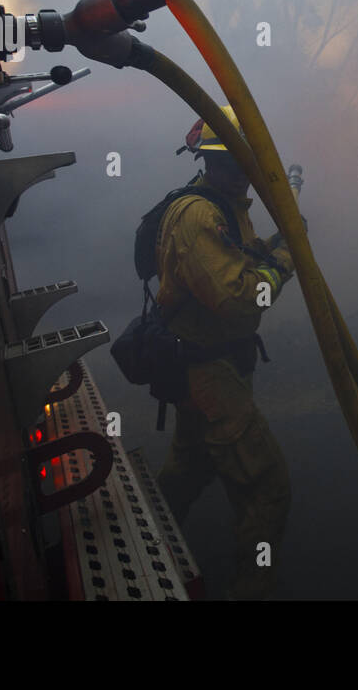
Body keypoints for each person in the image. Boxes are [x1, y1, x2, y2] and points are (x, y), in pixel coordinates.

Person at [154, 106, 296, 600]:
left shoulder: (229, 205)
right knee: (266, 487)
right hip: (207, 372)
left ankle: (152, 541)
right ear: (222, 163)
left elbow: (240, 262)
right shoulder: (199, 214)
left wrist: (275, 246)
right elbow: (237, 298)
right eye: (243, 164)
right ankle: (253, 589)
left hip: (213, 365)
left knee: (190, 465)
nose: (249, 175)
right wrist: (282, 263)